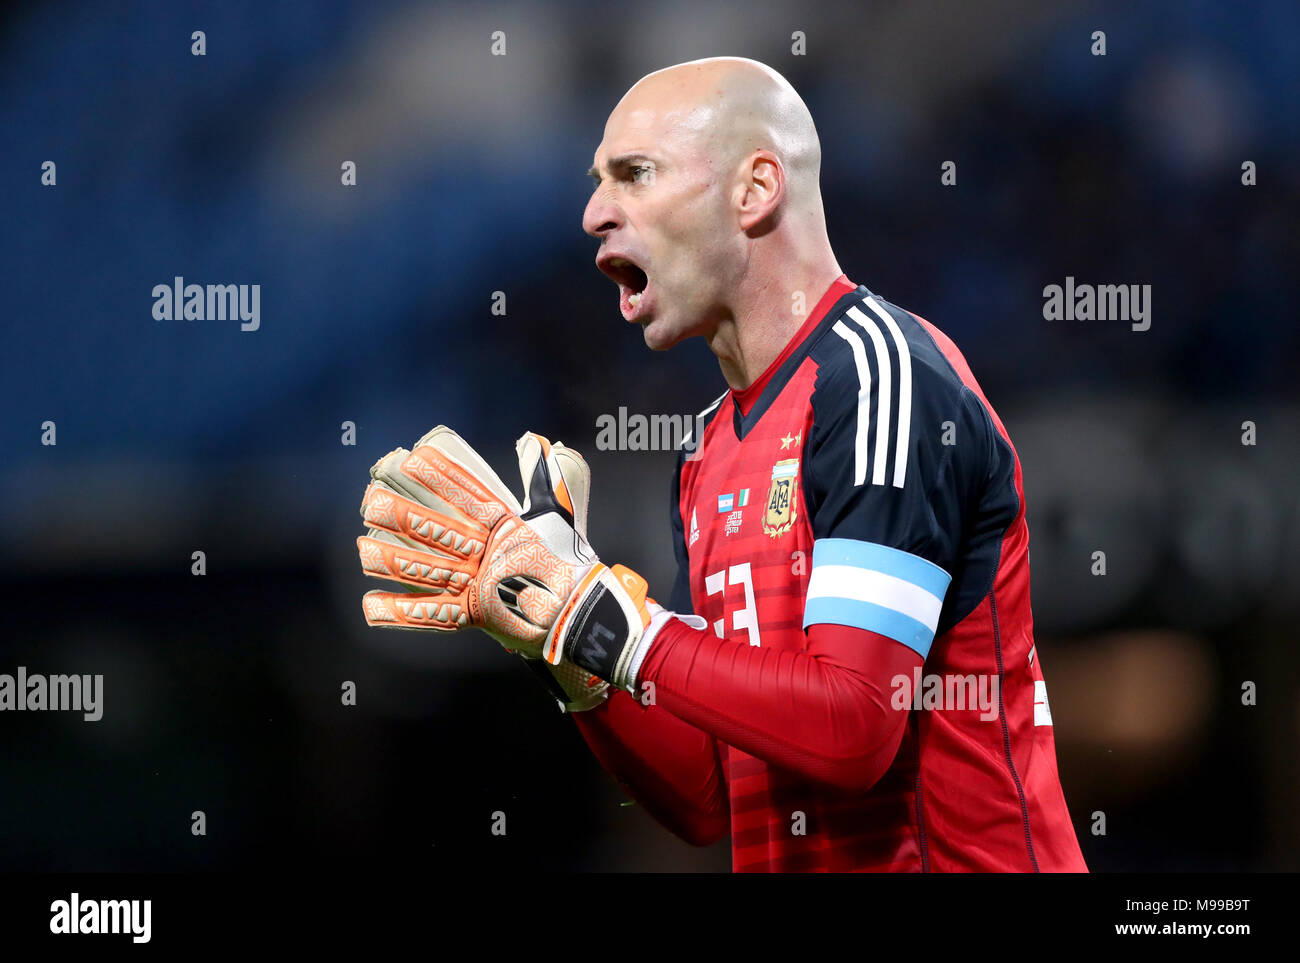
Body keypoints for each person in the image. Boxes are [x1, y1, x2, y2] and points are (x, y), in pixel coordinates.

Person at [569, 56, 1087, 872]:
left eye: (635, 174)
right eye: (599, 182)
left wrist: (614, 626)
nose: (596, 211)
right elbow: (707, 794)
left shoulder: (884, 379)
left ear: (755, 189)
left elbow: (853, 728)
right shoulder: (705, 449)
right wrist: (566, 644)